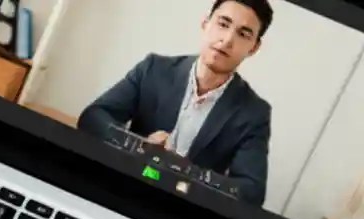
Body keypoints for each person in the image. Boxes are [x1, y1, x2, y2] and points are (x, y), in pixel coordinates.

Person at [78, 0, 274, 206]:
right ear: (205, 23)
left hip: (184, 209)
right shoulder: (154, 69)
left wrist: (182, 170)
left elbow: (251, 192)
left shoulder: (254, 113)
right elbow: (93, 118)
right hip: (121, 188)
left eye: (243, 34)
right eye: (223, 24)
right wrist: (140, 147)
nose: (227, 40)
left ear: (254, 47)